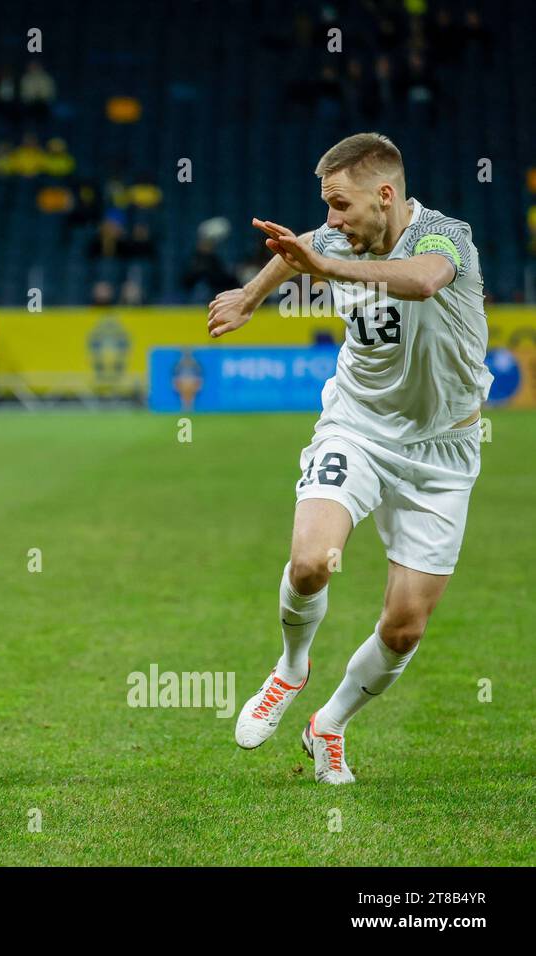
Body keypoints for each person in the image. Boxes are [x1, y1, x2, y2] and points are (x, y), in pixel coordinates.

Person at [208, 133, 490, 785]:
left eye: (340, 204)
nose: (331, 221)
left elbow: (422, 283)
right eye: (326, 207)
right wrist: (250, 297)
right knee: (310, 564)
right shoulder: (338, 239)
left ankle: (328, 723)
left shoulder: (447, 238)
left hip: (444, 454)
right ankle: (290, 668)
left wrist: (325, 267)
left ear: (385, 196)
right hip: (357, 429)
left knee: (403, 629)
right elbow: (300, 253)